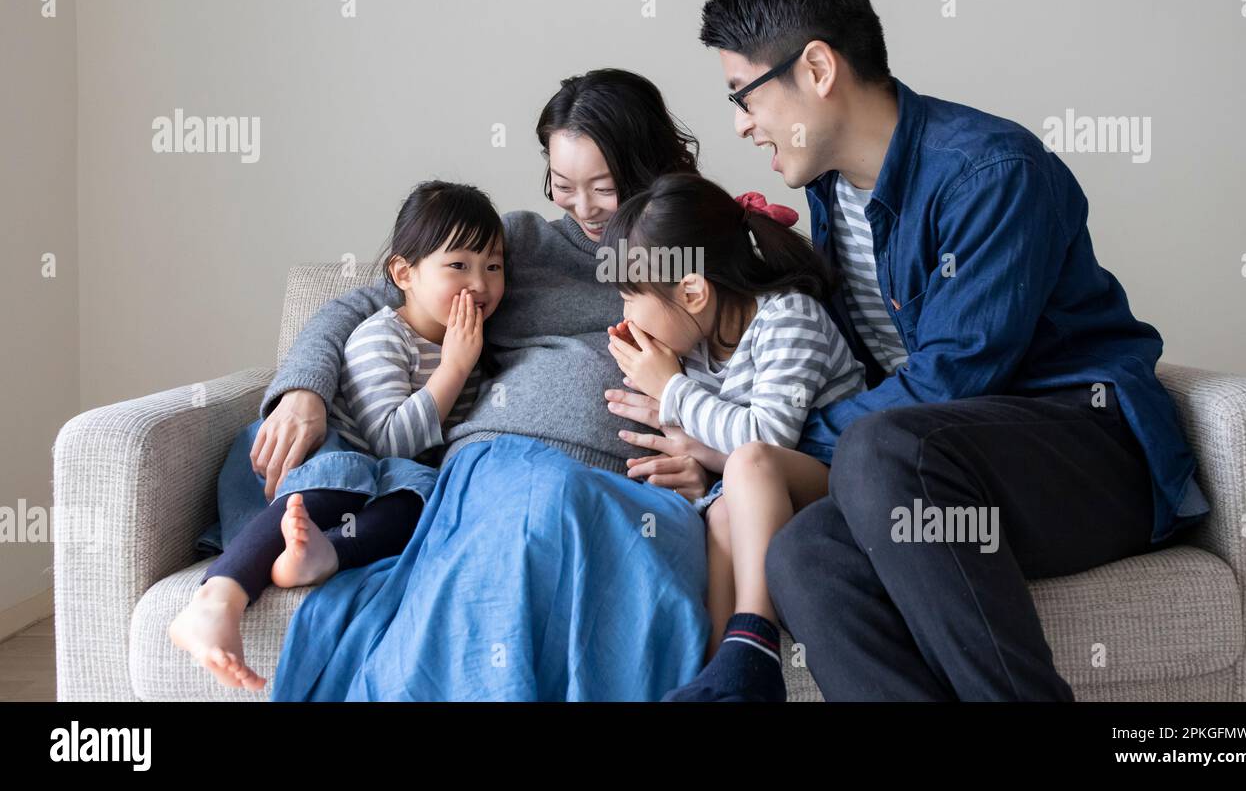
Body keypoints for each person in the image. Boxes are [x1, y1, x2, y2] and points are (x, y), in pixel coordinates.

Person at [697, 0, 1209, 700]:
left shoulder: (990, 172)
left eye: (744, 95)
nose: (741, 125)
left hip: (1088, 457)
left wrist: (755, 445)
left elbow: (953, 379)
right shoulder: (833, 197)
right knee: (805, 554)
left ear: (816, 69)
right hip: (938, 481)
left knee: (880, 448)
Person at [204, 69, 722, 700]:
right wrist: (304, 389)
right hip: (500, 468)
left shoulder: (691, 258)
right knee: (535, 519)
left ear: (646, 169)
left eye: (605, 189)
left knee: (628, 573)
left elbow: (754, 387)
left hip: (628, 486)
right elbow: (364, 303)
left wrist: (708, 467)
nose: (583, 210)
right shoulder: (515, 249)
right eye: (564, 187)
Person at [170, 181, 504, 690]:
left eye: (493, 266)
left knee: (422, 498)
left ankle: (325, 554)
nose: (479, 284)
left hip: (371, 484)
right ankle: (217, 600)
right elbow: (389, 439)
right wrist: (454, 369)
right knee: (347, 473)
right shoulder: (383, 336)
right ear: (403, 273)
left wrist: (464, 364)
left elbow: (414, 459)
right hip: (308, 465)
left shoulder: (470, 347)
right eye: (459, 265)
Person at [600, 173, 865, 701]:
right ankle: (718, 674)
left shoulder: (789, 318)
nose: (623, 315)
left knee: (747, 464)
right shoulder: (693, 346)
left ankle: (754, 644)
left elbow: (765, 439)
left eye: (631, 297)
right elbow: (713, 445)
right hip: (760, 486)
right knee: (720, 514)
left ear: (693, 291)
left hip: (841, 480)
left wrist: (672, 392)